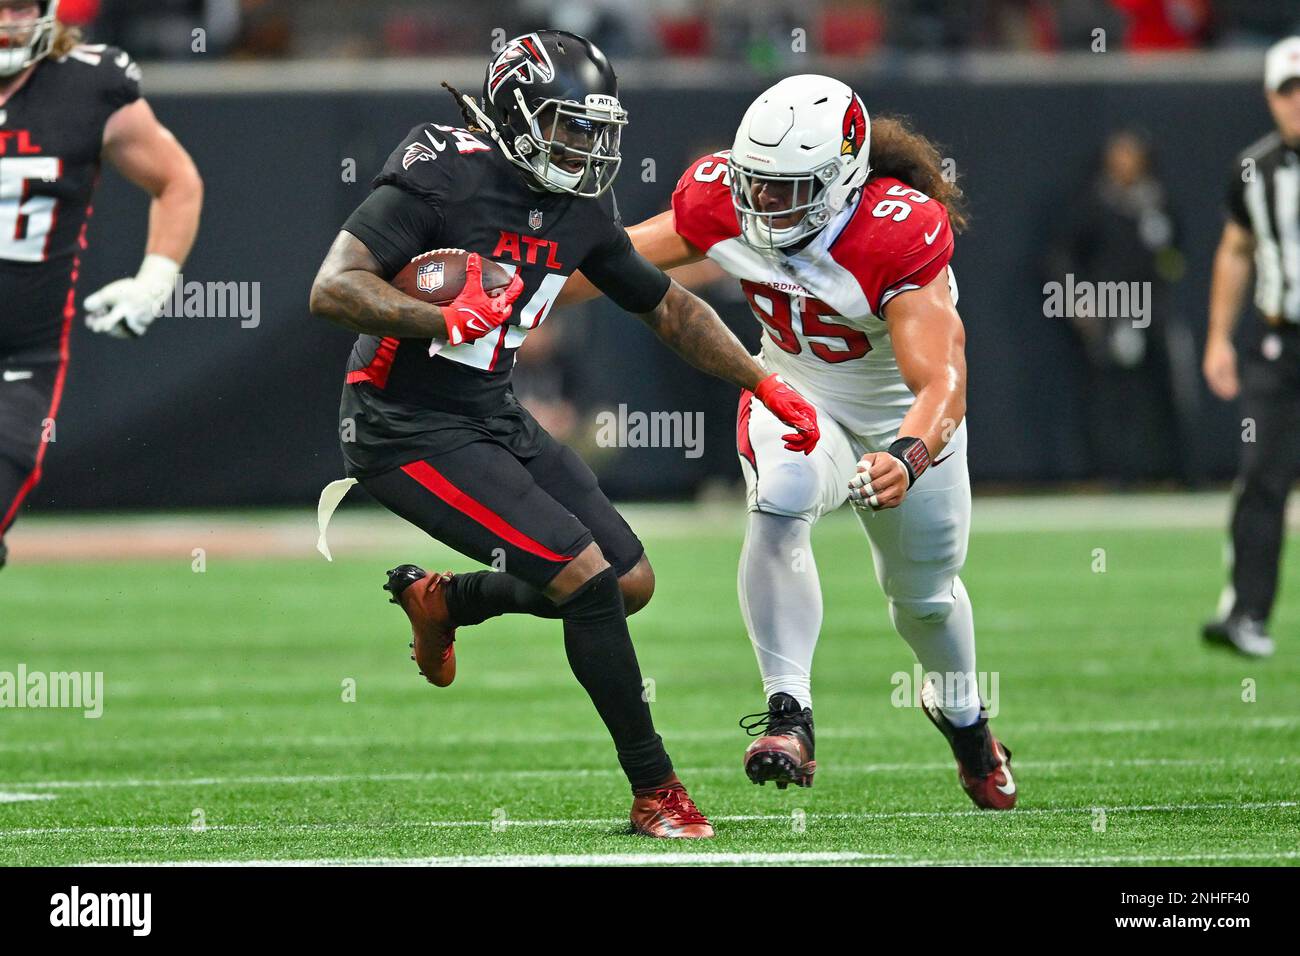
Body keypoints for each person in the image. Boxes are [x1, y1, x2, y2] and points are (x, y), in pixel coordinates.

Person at [308, 31, 821, 838]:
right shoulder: (443, 172)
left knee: (627, 583)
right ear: (514, 113)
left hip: (486, 411)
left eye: (595, 129)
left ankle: (448, 601)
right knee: (582, 579)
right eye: (567, 125)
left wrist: (764, 380)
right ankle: (656, 789)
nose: (583, 146)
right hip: (399, 424)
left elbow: (669, 305)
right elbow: (334, 288)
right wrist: (438, 314)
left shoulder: (578, 207)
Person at [559, 75, 1016, 809]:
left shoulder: (899, 230)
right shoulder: (723, 199)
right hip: (793, 390)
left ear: (841, 179)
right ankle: (789, 717)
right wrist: (513, 289)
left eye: (787, 189)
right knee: (782, 496)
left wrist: (910, 453)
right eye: (755, 184)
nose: (763, 204)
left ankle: (963, 717)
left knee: (925, 598)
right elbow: (615, 262)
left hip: (903, 414)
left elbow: (943, 383)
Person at [0, 0, 203, 569]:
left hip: (20, 361)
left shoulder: (88, 83)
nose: (8, 21)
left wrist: (155, 279)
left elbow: (176, 180)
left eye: (19, 5)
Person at [1202, 36, 1300, 658]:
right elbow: (1235, 250)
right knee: (1261, 474)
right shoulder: (1254, 168)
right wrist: (1218, 337)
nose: (1299, 102)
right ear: (1270, 97)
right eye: (1289, 91)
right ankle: (1246, 615)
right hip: (1278, 343)